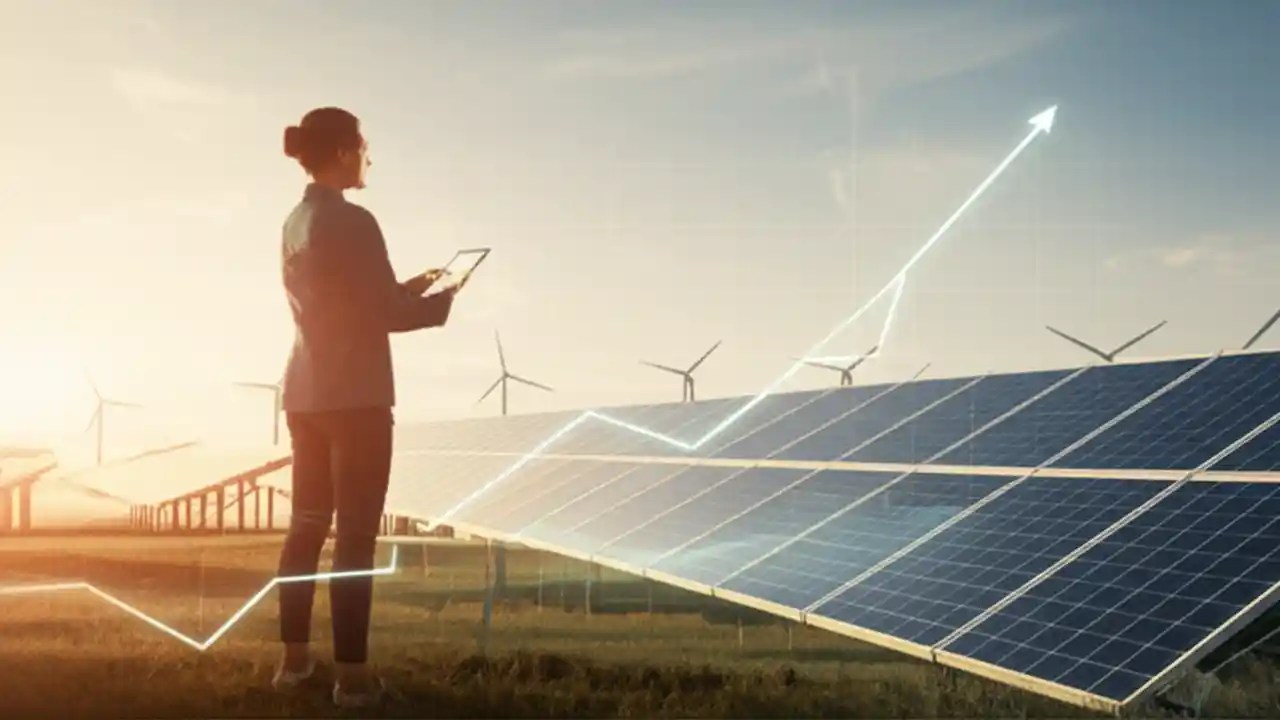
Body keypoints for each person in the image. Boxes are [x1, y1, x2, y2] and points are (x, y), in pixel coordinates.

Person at [272, 106, 459, 707]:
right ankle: (353, 680)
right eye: (364, 146)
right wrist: (444, 300)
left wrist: (410, 286)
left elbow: (348, 302)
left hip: (305, 391)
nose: (368, 157)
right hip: (356, 399)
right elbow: (381, 314)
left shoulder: (295, 222)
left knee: (306, 529)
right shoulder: (355, 221)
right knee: (355, 537)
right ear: (345, 152)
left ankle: (293, 665)